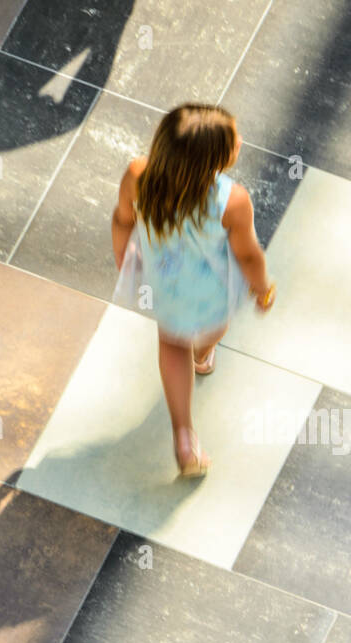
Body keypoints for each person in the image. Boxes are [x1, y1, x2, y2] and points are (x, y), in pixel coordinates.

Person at [111, 103, 276, 477]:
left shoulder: (139, 174)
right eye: (234, 140)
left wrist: (125, 258)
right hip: (212, 291)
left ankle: (184, 436)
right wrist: (263, 288)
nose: (241, 141)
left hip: (166, 285)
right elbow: (248, 255)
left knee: (172, 343)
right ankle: (202, 355)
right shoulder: (232, 200)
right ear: (214, 160)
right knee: (214, 328)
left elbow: (122, 218)